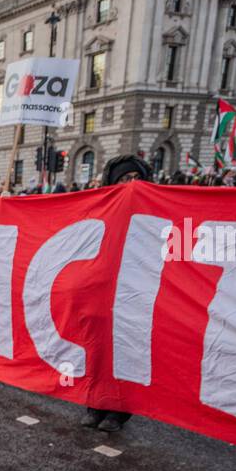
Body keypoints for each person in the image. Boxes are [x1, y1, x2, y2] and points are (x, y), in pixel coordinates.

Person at [81, 155, 154, 432]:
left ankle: (118, 413)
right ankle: (94, 405)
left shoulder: (153, 209)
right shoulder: (97, 205)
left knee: (126, 351)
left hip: (134, 291)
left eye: (137, 178)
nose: (131, 184)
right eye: (125, 178)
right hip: (100, 290)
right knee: (97, 349)